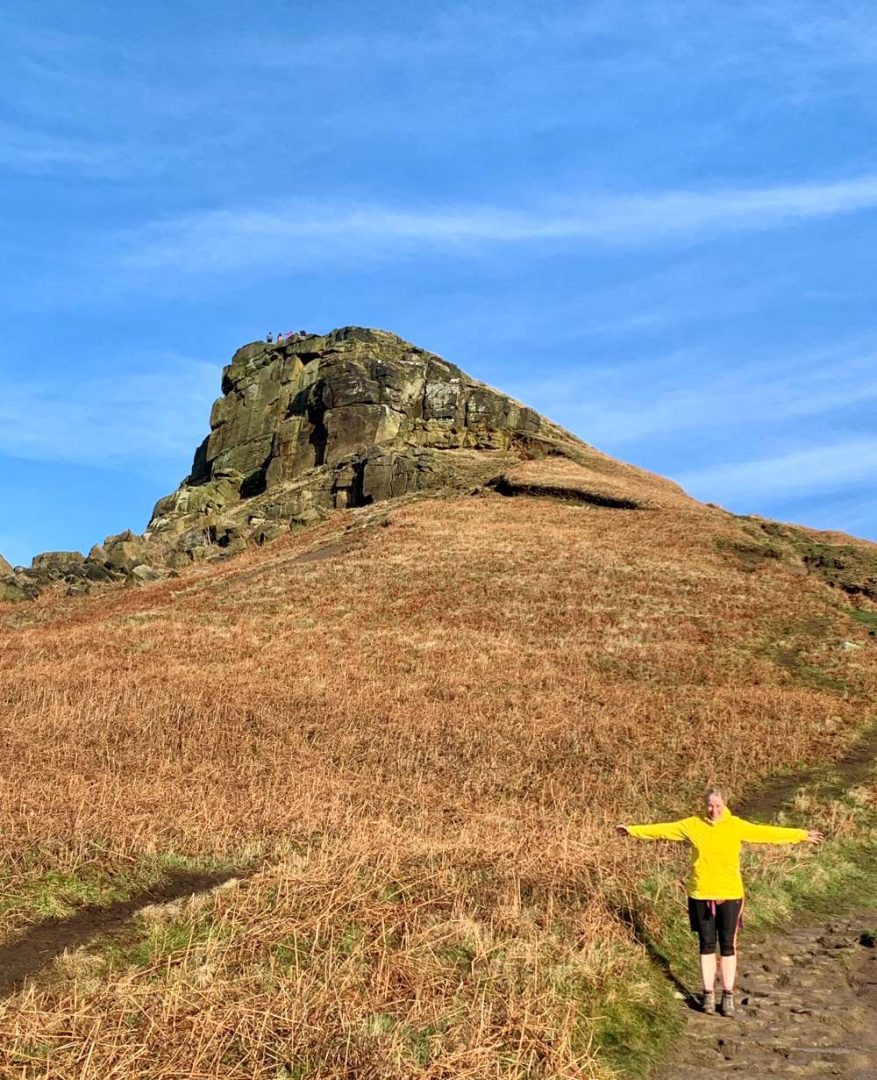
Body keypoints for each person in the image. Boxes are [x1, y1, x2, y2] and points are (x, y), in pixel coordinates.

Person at [616, 786, 823, 1017]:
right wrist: (632, 830)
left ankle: (727, 996)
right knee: (706, 945)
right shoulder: (692, 825)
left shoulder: (735, 825)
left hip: (730, 894)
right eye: (710, 805)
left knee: (727, 945)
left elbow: (767, 833)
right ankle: (707, 994)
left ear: (725, 804)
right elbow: (663, 830)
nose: (714, 810)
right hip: (701, 893)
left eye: (718, 806)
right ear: (705, 805)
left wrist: (801, 835)